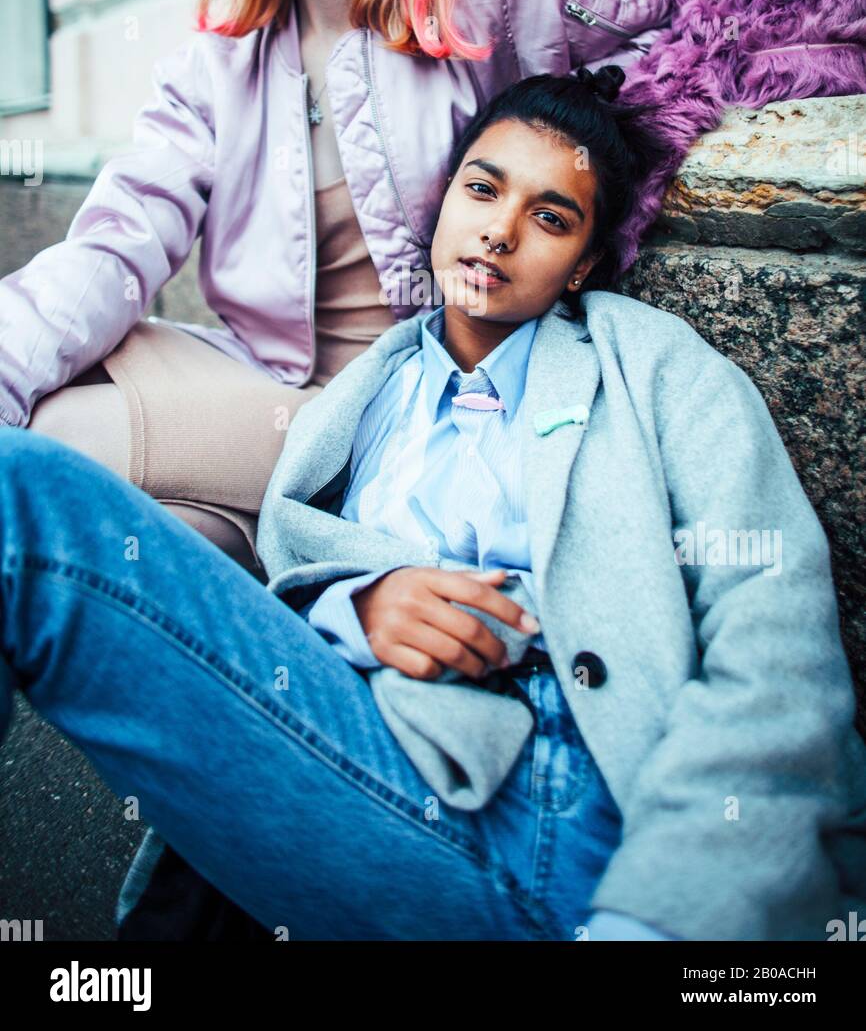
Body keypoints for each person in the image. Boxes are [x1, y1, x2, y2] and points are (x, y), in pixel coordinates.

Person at [1, 67, 864, 943]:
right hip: (376, 764)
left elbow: (775, 638)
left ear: (584, 266)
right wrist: (358, 605)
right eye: (482, 189)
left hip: (595, 807)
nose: (500, 230)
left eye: (551, 218)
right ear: (443, 201)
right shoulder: (367, 393)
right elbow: (292, 572)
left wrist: (669, 912)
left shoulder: (654, 367)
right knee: (18, 489)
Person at [0, 0, 670, 575]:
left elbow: (664, 28)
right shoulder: (215, 63)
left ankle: (284, 538)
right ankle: (270, 550)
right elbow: (113, 247)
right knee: (98, 486)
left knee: (54, 446)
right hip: (261, 384)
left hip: (399, 396)